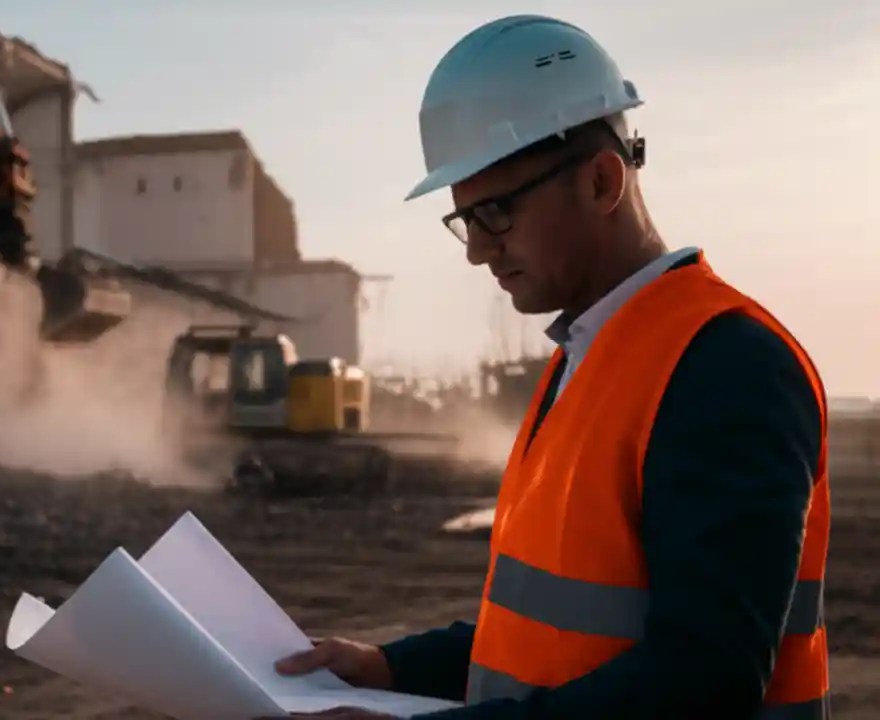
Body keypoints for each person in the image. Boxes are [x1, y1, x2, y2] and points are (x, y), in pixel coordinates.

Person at [261, 14, 831, 720]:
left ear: (600, 181)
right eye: (463, 219)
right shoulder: (585, 359)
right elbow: (541, 640)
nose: (476, 249)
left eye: (495, 211)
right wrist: (389, 667)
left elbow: (700, 682)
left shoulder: (727, 366)